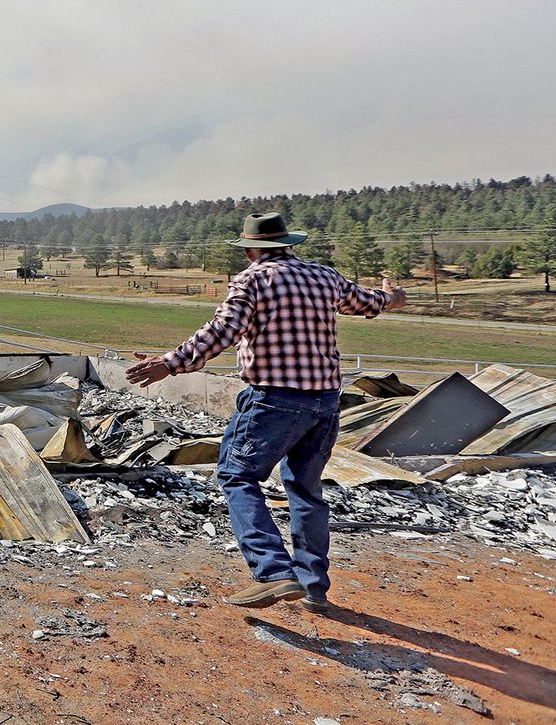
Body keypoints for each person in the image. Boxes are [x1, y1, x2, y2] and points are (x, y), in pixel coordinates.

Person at [125, 212, 407, 611]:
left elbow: (222, 331)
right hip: (325, 402)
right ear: (288, 243)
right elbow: (370, 302)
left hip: (274, 400)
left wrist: (169, 363)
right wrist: (393, 296)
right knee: (305, 489)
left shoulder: (254, 279)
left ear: (251, 248)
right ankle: (313, 586)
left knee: (236, 476)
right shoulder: (324, 276)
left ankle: (274, 573)